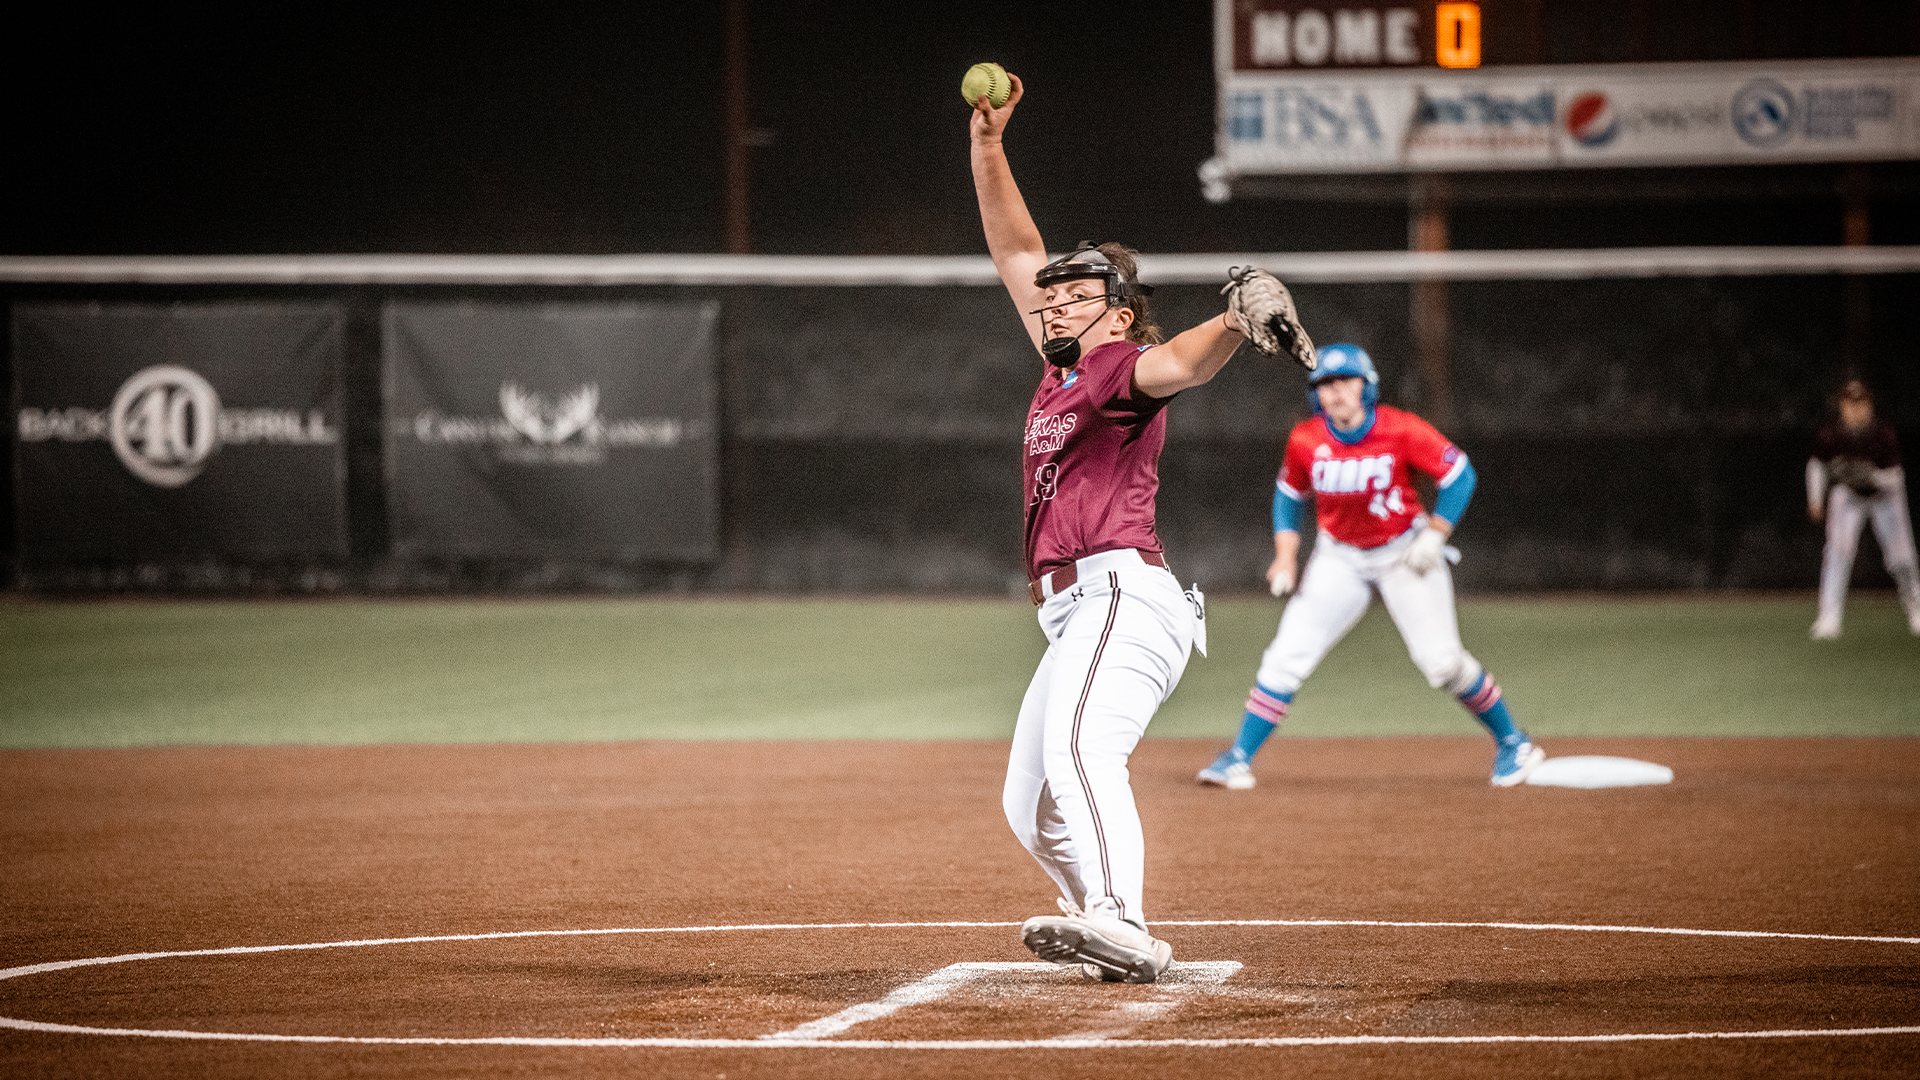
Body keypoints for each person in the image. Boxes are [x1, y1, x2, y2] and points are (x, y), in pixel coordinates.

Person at [969, 72, 1311, 983]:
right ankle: (1100, 918)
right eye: (1053, 297)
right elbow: (1015, 247)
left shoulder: (1118, 362)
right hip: (1072, 611)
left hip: (1121, 594)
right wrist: (990, 145)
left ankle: (1120, 916)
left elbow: (1181, 365)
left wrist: (1235, 318)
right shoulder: (1059, 369)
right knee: (1029, 803)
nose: (1054, 302)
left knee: (1083, 750)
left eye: (1075, 295)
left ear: (1117, 312)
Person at [1197, 344, 1544, 791]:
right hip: (1339, 556)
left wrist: (1436, 532)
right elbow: (1289, 494)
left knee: (1441, 662)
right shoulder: (1306, 439)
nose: (1335, 391)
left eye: (1345, 380)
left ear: (1367, 385)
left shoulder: (1400, 429)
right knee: (1285, 657)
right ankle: (1238, 757)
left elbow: (1459, 474)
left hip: (1403, 551)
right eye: (1324, 383)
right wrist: (1285, 555)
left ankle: (1514, 742)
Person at [1807, 378, 1920, 639]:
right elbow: (1816, 465)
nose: (1855, 409)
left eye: (1861, 403)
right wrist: (1815, 499)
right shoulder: (1831, 434)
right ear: (1842, 406)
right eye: (1850, 403)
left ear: (1869, 406)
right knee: (1837, 553)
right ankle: (1829, 617)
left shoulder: (1882, 434)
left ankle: (1916, 609)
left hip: (1886, 497)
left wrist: (1870, 476)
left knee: (1902, 556)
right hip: (1849, 496)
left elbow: (1896, 477)